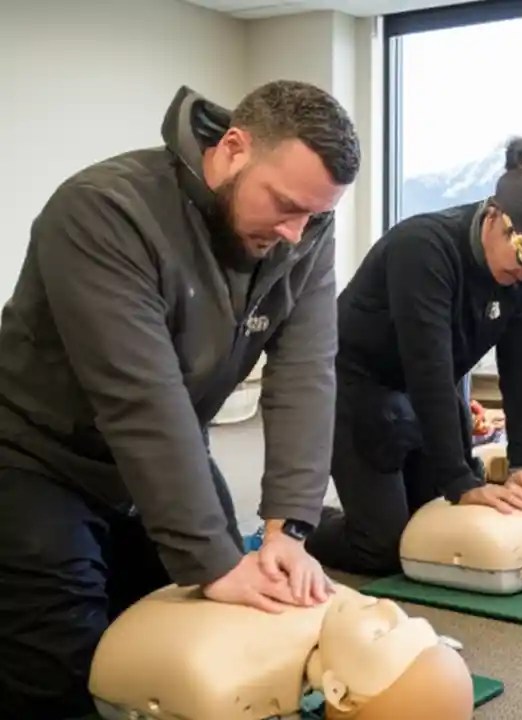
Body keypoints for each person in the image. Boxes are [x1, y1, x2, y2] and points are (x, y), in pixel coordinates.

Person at [0, 81, 361, 717]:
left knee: (205, 640)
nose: (294, 233)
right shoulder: (103, 210)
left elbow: (306, 371)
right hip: (36, 457)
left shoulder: (304, 227)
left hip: (161, 457)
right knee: (63, 665)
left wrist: (288, 528)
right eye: (282, 205)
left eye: (312, 215)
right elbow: (141, 397)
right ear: (232, 148)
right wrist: (214, 560)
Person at [306, 137, 522, 576]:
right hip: (356, 384)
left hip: (426, 390)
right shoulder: (425, 248)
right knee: (383, 548)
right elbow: (427, 366)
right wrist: (459, 481)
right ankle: (299, 529)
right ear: (495, 216)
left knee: (434, 528)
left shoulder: (521, 275)